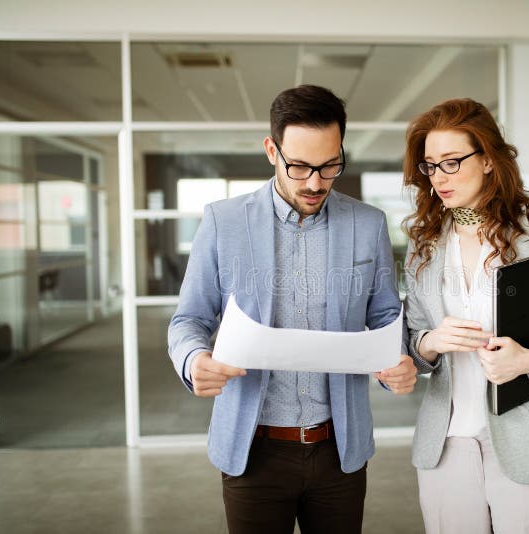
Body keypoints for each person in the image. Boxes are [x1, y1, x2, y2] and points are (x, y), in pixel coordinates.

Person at [167, 84, 417, 534]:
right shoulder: (224, 222)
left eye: (330, 165)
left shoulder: (368, 224)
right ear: (271, 150)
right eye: (300, 166)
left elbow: (384, 315)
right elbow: (190, 319)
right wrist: (193, 359)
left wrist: (396, 359)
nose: (315, 182)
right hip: (254, 451)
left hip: (339, 450)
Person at [402, 98, 529, 534]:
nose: (440, 178)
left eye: (452, 162)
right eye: (431, 166)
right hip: (444, 440)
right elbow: (412, 340)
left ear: (488, 159)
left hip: (524, 437)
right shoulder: (423, 243)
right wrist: (430, 342)